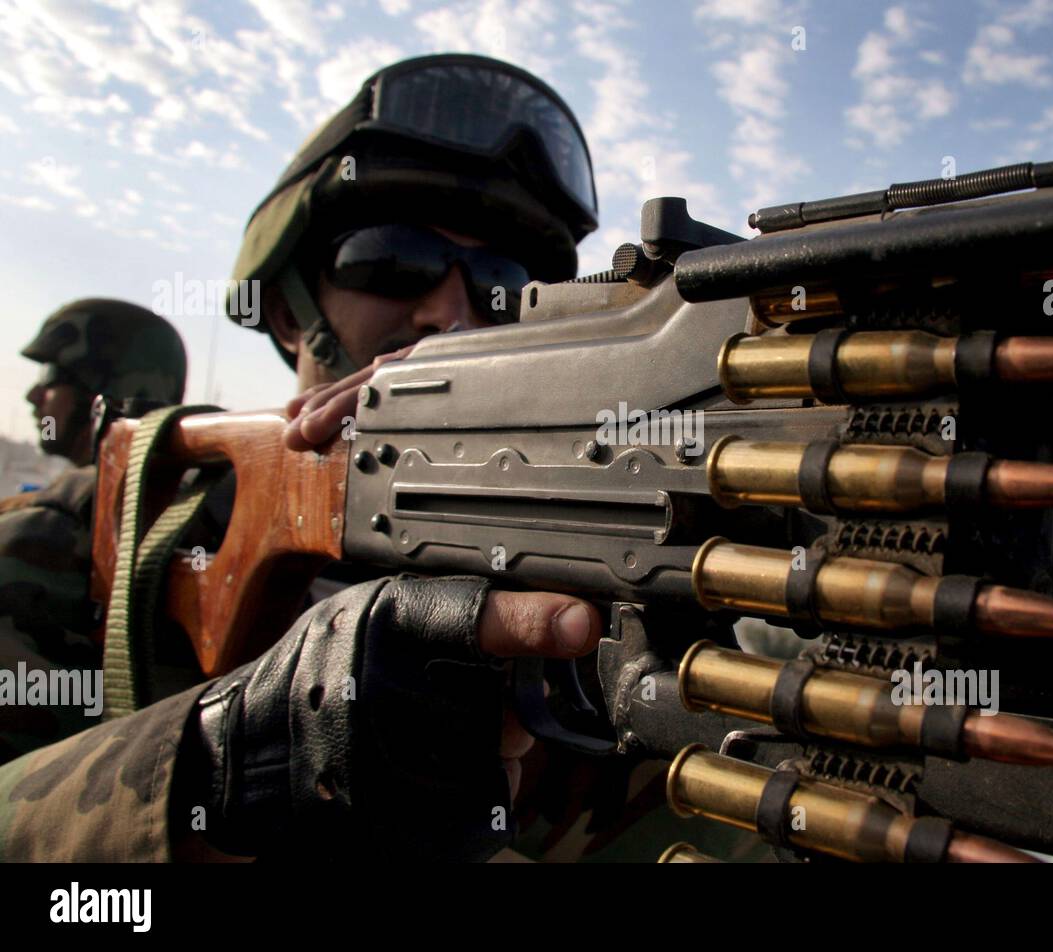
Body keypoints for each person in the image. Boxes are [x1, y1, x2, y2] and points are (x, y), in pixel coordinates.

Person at [0, 54, 605, 861]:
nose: (450, 315)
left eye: (501, 283)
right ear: (288, 310)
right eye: (392, 259)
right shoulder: (70, 548)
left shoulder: (569, 559)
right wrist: (216, 772)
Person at [0, 301, 186, 764]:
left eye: (51, 376)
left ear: (99, 394)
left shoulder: (62, 519)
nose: (33, 396)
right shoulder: (188, 510)